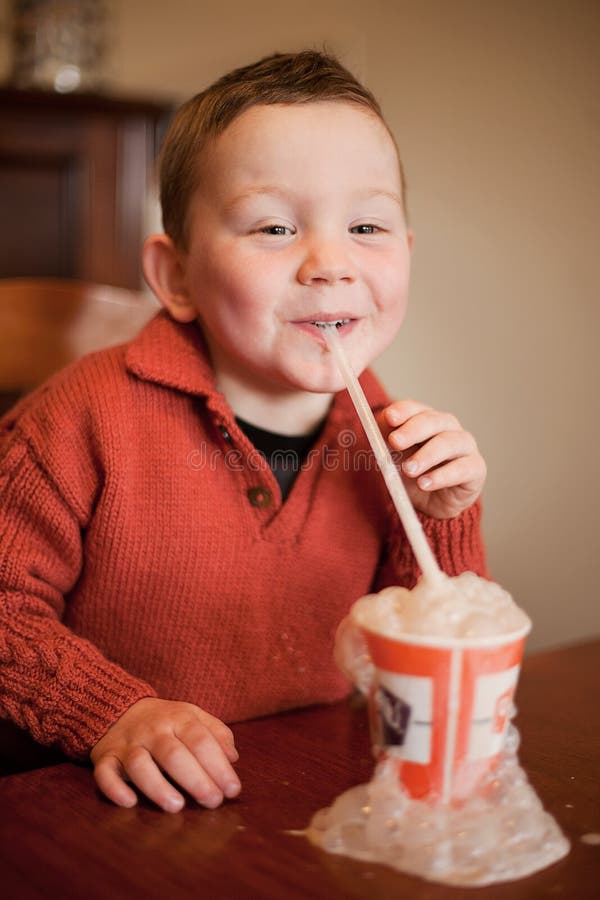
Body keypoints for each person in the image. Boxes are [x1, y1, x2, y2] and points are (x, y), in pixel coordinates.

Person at [0, 51, 487, 814]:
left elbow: (429, 660)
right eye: (274, 227)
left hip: (307, 797)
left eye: (366, 225)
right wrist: (111, 713)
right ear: (177, 277)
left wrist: (442, 519)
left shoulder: (388, 438)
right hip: (101, 810)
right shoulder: (78, 419)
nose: (331, 264)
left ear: (407, 254)